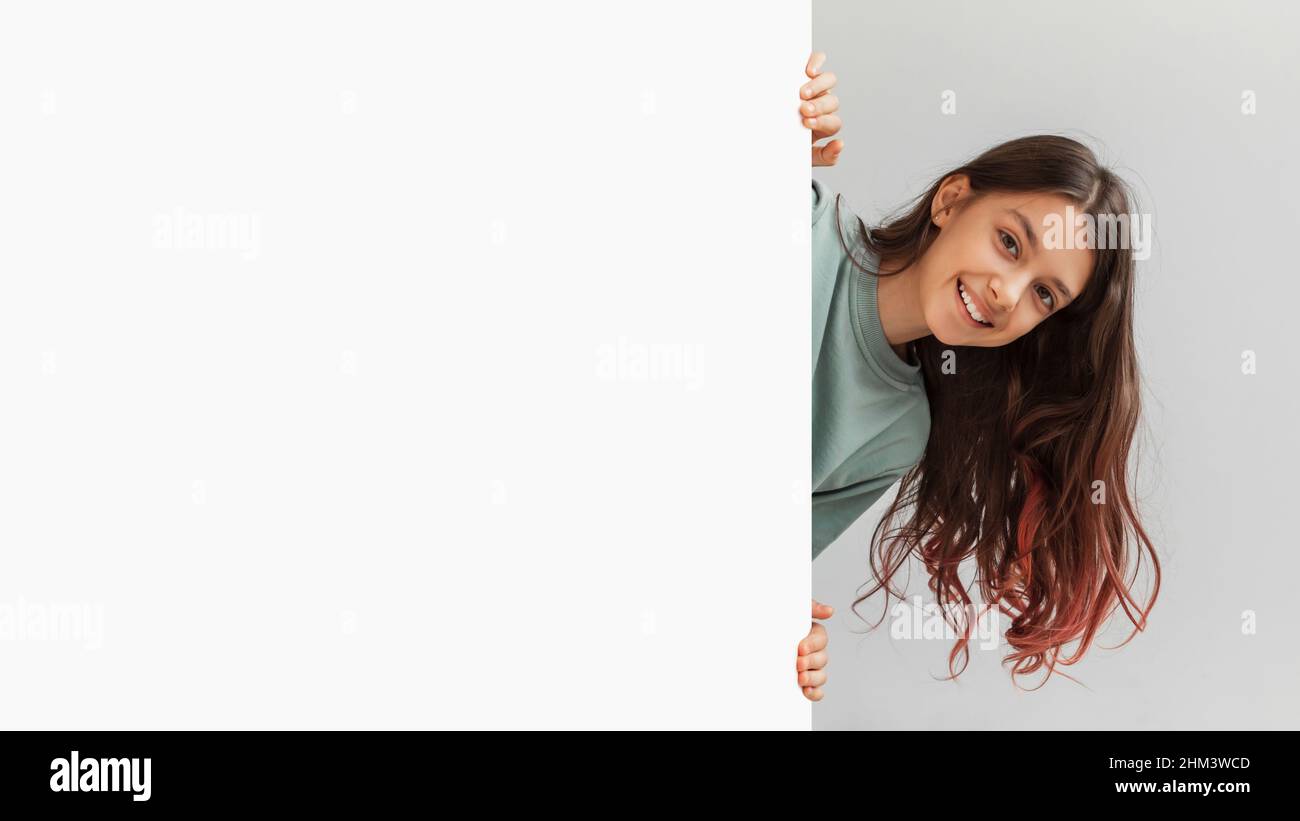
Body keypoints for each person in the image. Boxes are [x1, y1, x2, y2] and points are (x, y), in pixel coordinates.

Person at [795, 52, 1160, 702]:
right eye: (1011, 243)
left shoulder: (898, 433)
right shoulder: (801, 223)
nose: (1006, 292)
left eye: (1044, 296)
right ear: (952, 199)